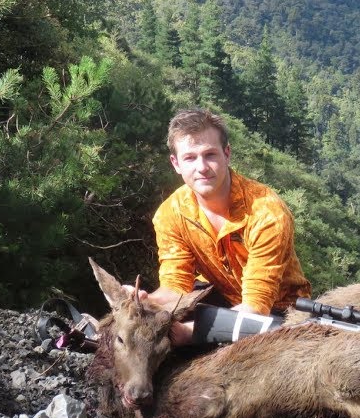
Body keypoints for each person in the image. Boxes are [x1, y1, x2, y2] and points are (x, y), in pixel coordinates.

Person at [133, 109, 312, 344]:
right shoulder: (171, 213)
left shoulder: (266, 211)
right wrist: (140, 304)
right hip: (223, 297)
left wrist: (188, 333)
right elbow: (176, 285)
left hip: (281, 310)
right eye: (190, 158)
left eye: (210, 155)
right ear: (176, 163)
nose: (202, 167)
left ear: (227, 154)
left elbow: (256, 307)